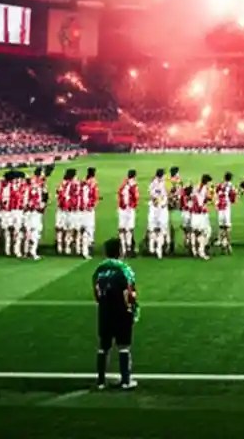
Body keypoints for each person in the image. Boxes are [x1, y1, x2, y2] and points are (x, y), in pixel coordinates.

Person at [93, 238, 138, 391]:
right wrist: (131, 308)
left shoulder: (99, 270)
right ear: (120, 251)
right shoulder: (124, 270)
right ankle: (125, 381)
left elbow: (96, 292)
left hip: (104, 312)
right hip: (121, 312)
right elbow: (129, 292)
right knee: (123, 346)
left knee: (103, 346)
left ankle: (100, 382)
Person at [146, 168, 169, 259]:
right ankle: (153, 246)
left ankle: (157, 248)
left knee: (159, 230)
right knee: (155, 229)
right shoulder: (155, 183)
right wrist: (158, 201)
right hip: (157, 209)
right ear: (162, 175)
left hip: (159, 208)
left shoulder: (160, 183)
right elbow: (152, 195)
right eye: (164, 175)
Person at [117, 169, 139, 258]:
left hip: (122, 209)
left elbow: (119, 193)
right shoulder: (134, 185)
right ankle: (129, 248)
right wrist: (134, 205)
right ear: (134, 176)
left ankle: (123, 248)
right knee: (129, 229)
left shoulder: (123, 184)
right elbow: (136, 197)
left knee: (122, 229)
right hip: (130, 209)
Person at [214, 171, 237, 255]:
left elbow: (216, 192)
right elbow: (233, 198)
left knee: (221, 225)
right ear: (231, 178)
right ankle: (227, 242)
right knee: (227, 226)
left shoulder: (220, 185)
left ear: (224, 177)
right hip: (226, 208)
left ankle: (220, 240)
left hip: (220, 207)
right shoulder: (231, 186)